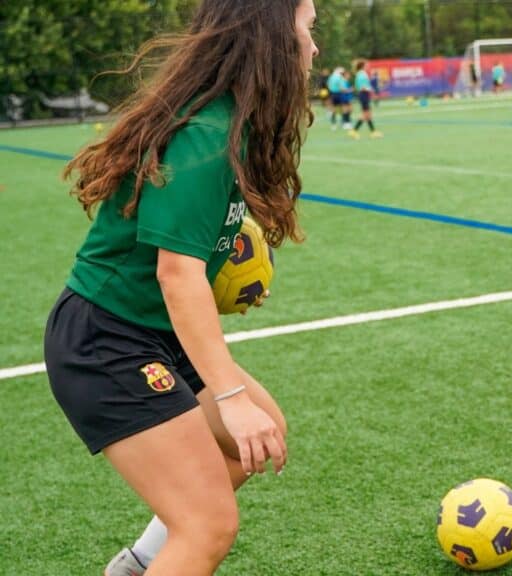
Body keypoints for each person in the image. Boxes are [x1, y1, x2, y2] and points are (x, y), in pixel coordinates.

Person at [45, 0, 317, 574]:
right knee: (208, 525)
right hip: (105, 338)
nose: (314, 49)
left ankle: (139, 565)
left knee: (253, 445)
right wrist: (229, 396)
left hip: (149, 330)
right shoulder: (207, 135)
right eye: (307, 31)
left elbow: (181, 258)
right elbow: (176, 274)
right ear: (271, 41)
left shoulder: (230, 123)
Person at [349, 59, 381, 139]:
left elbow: (359, 86)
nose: (368, 66)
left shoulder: (360, 74)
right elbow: (363, 87)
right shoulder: (362, 74)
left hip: (364, 95)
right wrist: (371, 90)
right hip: (364, 95)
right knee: (365, 114)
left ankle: (373, 132)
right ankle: (353, 131)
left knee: (368, 114)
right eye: (367, 65)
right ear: (363, 66)